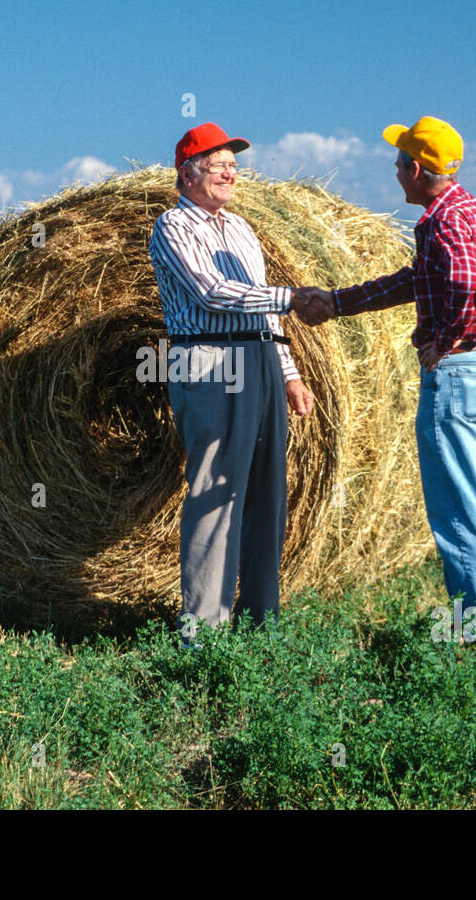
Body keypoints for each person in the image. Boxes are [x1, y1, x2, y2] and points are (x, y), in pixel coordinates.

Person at [293, 116, 476, 652]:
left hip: (458, 376)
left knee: (456, 509)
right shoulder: (470, 209)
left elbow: (466, 287)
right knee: (474, 501)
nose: (394, 171)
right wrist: (337, 303)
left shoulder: (441, 221)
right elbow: (428, 281)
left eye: (398, 163)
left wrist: (447, 339)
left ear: (416, 169)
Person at [148, 121, 320, 649]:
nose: (231, 171)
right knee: (215, 492)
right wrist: (293, 298)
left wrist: (288, 373)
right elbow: (213, 294)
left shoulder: (242, 228)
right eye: (219, 163)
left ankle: (258, 621)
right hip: (208, 359)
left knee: (268, 491)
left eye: (233, 162)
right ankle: (202, 633)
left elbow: (260, 304)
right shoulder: (172, 225)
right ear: (188, 173)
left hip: (260, 358)